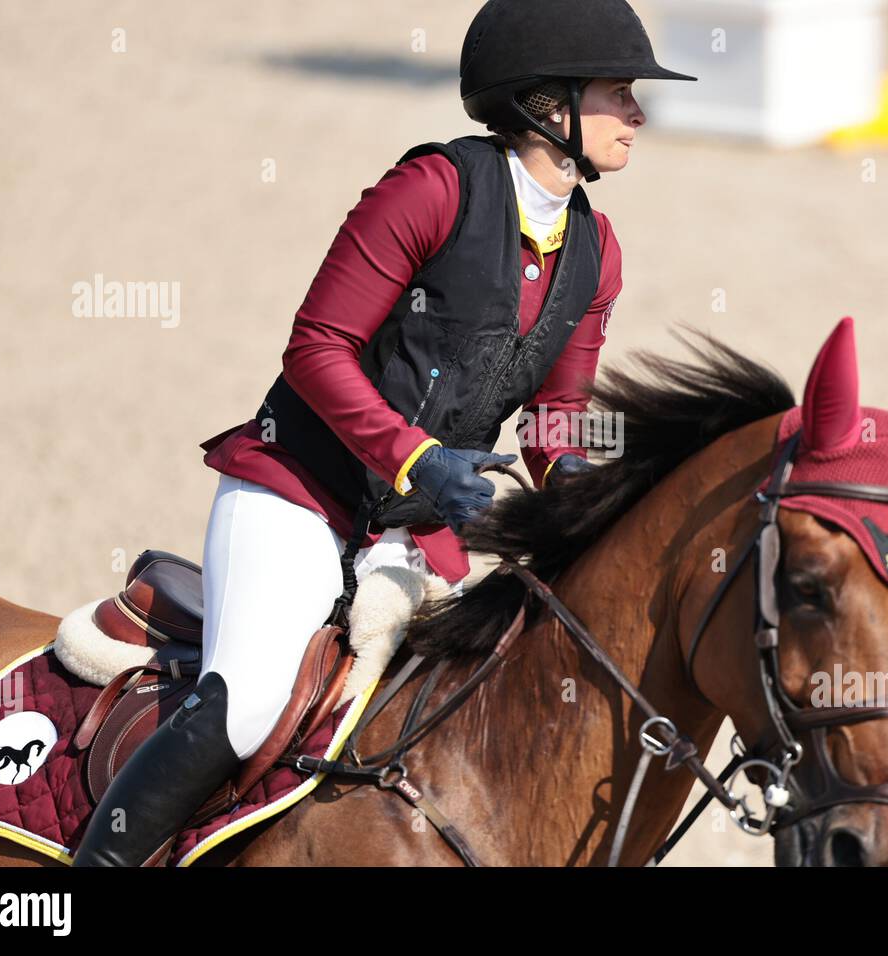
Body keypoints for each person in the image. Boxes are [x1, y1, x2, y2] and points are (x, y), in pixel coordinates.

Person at [70, 0, 695, 866]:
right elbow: (316, 346)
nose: (638, 114)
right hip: (297, 493)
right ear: (549, 104)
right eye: (620, 92)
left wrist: (611, 489)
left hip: (411, 533)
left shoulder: (595, 251)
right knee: (250, 702)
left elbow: (556, 423)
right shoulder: (432, 190)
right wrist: (416, 457)